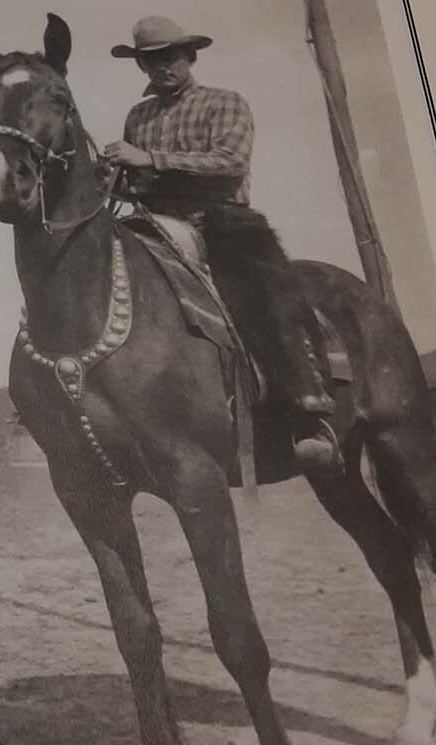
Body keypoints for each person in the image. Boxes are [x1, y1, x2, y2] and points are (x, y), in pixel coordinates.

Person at [102, 16, 342, 477]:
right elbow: (131, 179)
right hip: (154, 223)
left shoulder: (224, 103)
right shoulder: (139, 116)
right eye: (150, 60)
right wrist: (110, 178)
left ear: (189, 56)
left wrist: (150, 158)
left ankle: (311, 414)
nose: (161, 67)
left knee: (268, 296)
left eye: (169, 56)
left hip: (222, 222)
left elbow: (230, 163)